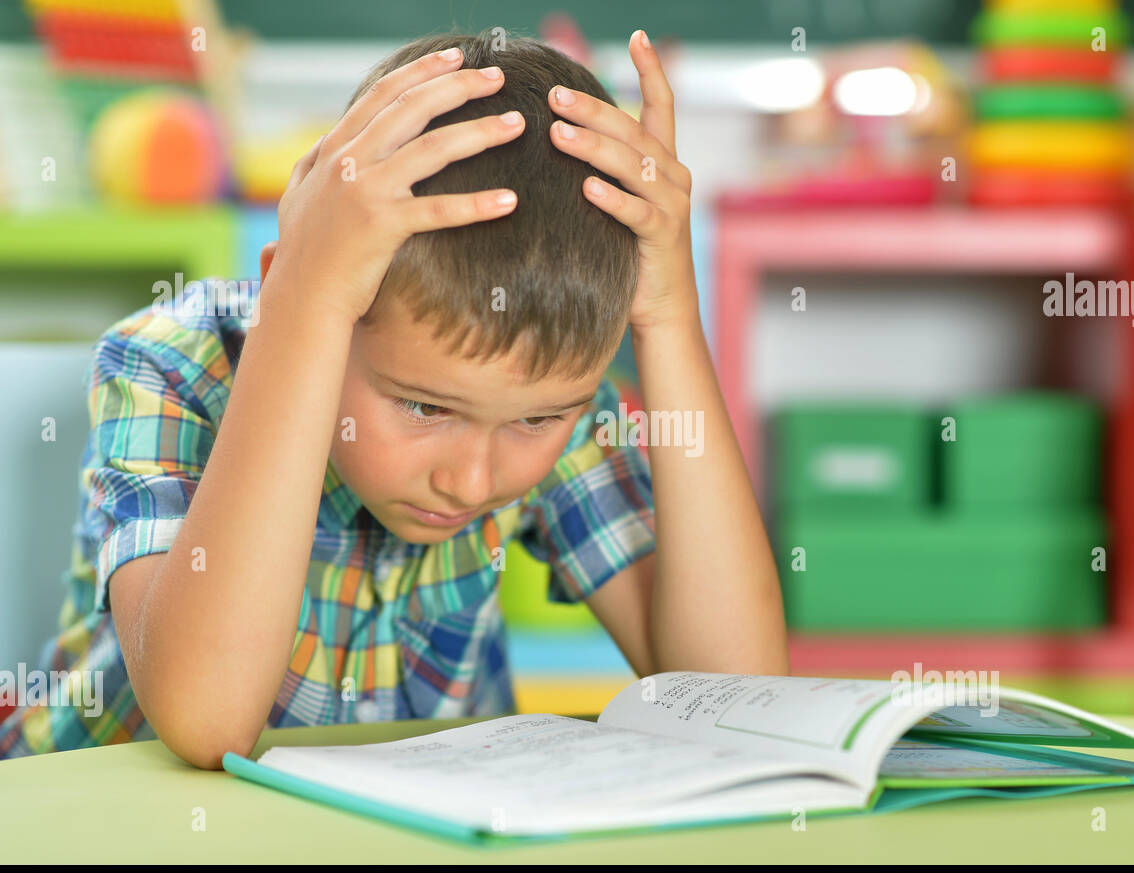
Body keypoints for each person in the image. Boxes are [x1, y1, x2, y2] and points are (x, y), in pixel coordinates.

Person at [0, 27, 787, 768]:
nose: (470, 481)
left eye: (536, 420)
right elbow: (207, 720)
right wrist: (303, 304)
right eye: (424, 407)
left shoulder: (556, 400)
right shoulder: (169, 364)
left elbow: (734, 698)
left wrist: (670, 319)